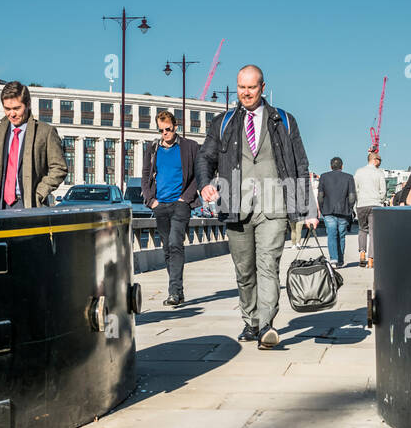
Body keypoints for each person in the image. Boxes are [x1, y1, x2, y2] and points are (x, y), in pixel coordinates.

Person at [197, 64, 319, 349]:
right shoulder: (224, 123)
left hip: (274, 205)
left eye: (251, 87)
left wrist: (308, 210)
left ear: (263, 88)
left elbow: (300, 164)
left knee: (268, 265)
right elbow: (205, 157)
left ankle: (266, 324)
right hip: (235, 204)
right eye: (241, 87)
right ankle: (250, 320)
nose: (246, 93)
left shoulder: (284, 121)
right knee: (244, 269)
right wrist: (205, 183)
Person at [0, 81, 67, 210]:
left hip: (29, 204)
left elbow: (59, 168)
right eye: (7, 109)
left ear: (28, 105)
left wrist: (39, 193)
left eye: (17, 108)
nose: (12, 114)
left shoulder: (45, 132)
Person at [141, 110, 200, 306]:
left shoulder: (190, 147)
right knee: (167, 248)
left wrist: (185, 198)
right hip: (160, 205)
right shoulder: (153, 149)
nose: (165, 133)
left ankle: (173, 292)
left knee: (176, 243)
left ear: (175, 127)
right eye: (161, 130)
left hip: (180, 204)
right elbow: (146, 176)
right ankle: (178, 291)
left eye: (168, 129)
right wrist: (151, 200)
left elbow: (198, 175)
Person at [318, 156, 356, 267]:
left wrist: (321, 208)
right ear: (342, 166)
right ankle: (340, 260)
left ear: (331, 166)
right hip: (344, 211)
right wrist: (350, 207)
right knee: (341, 235)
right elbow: (352, 196)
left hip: (328, 210)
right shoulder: (349, 177)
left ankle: (333, 259)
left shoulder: (324, 177)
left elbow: (320, 195)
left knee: (331, 234)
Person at [354, 150, 386, 267]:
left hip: (361, 204)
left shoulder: (359, 172)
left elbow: (355, 189)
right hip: (375, 204)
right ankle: (371, 259)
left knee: (362, 229)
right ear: (374, 160)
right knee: (373, 232)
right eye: (379, 160)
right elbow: (383, 191)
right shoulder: (379, 173)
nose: (380, 162)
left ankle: (362, 253)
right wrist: (380, 200)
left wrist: (357, 201)